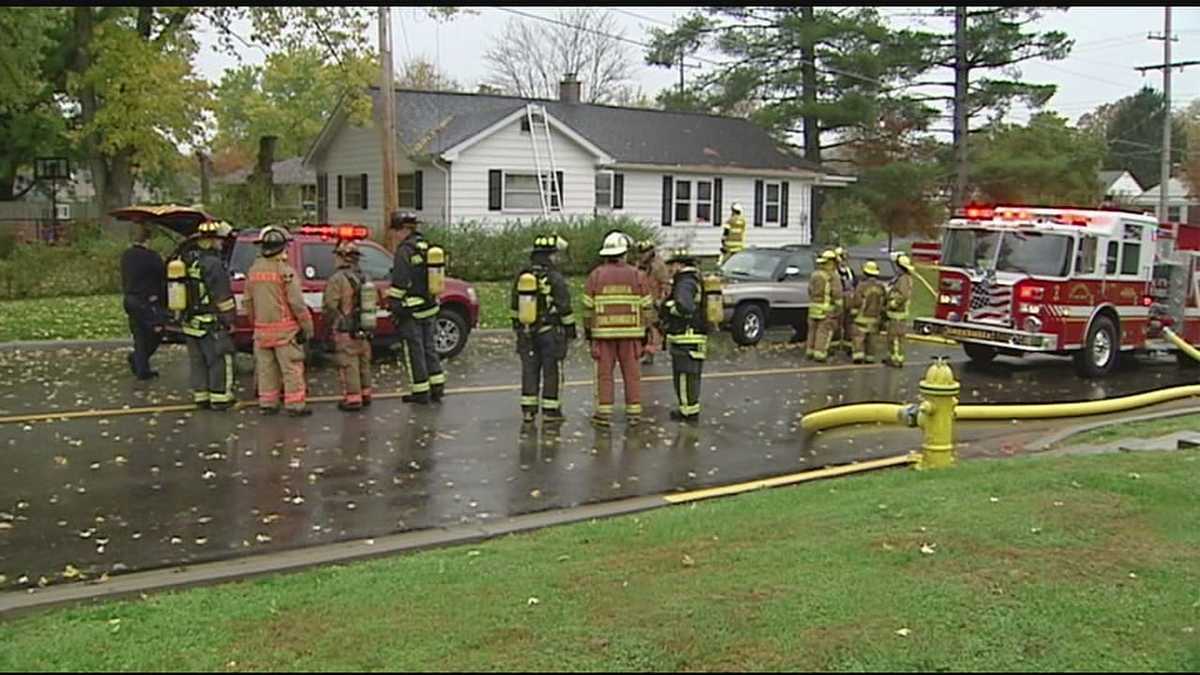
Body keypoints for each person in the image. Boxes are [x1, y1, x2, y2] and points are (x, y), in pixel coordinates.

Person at [583, 231, 652, 427]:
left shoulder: (595, 275)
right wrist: (646, 332)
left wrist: (589, 332)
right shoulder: (637, 275)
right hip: (631, 335)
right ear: (624, 253)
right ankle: (634, 414)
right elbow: (647, 307)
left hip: (603, 335)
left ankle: (603, 414)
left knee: (604, 375)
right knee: (632, 374)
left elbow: (587, 308)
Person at [244, 225, 315, 416]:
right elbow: (297, 304)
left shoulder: (253, 271)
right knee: (291, 369)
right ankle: (295, 405)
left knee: (266, 369)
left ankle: (268, 402)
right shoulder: (285, 272)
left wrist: (256, 323)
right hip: (286, 332)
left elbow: (248, 302)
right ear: (283, 247)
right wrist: (307, 327)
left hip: (262, 332)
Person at [510, 234, 576, 425]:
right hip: (550, 332)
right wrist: (570, 330)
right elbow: (564, 307)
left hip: (526, 331)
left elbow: (515, 305)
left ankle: (528, 412)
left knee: (529, 370)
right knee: (550, 371)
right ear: (551, 255)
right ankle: (550, 411)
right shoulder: (555, 277)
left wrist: (519, 328)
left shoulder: (523, 276)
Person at [386, 211, 445, 404]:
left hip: (411, 311)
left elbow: (400, 281)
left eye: (395, 231)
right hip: (429, 307)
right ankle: (437, 386)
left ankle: (420, 391)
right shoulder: (426, 247)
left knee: (415, 351)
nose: (393, 236)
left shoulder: (405, 251)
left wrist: (394, 304)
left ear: (402, 230)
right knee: (430, 348)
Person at [181, 220, 237, 409]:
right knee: (219, 360)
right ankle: (221, 399)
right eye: (219, 240)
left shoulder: (189, 260)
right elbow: (223, 297)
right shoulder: (214, 264)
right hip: (210, 323)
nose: (221, 243)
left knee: (198, 362)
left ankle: (201, 397)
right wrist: (230, 320)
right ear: (212, 241)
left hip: (190, 322)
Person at [323, 240, 376, 412]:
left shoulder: (337, 279)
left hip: (346, 329)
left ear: (342, 257)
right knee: (363, 363)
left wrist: (332, 326)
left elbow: (330, 305)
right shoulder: (365, 277)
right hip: (364, 328)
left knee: (349, 364)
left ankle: (353, 399)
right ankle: (366, 394)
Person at [661, 248, 708, 424]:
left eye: (671, 266)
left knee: (683, 376)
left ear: (679, 265)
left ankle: (686, 412)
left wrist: (667, 308)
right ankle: (690, 409)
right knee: (692, 377)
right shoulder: (694, 280)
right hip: (695, 336)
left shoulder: (685, 283)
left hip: (686, 337)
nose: (669, 270)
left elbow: (685, 308)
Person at [120, 223, 165, 380]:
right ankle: (139, 361)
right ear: (148, 240)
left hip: (130, 299)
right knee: (156, 332)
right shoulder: (151, 257)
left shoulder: (126, 255)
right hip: (147, 302)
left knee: (139, 335)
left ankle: (141, 367)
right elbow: (162, 275)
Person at [636, 239, 671, 365]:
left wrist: (660, 300)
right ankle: (641, 351)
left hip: (653, 302)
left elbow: (665, 284)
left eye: (644, 252)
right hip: (640, 301)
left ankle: (649, 353)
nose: (642, 255)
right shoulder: (640, 264)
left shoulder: (658, 265)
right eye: (640, 253)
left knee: (652, 329)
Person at [849, 261, 886, 364]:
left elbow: (857, 301)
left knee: (858, 338)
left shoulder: (862, 286)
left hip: (861, 317)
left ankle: (858, 356)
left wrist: (852, 313)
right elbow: (884, 302)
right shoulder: (881, 287)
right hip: (875, 318)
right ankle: (870, 357)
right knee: (872, 339)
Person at [805, 249, 838, 363]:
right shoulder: (832, 276)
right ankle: (820, 354)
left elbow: (809, 290)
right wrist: (839, 308)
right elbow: (837, 294)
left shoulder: (814, 274)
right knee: (823, 332)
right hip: (826, 309)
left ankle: (810, 351)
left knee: (812, 330)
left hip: (813, 308)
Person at [885, 254, 915, 368]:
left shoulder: (903, 279)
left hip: (898, 314)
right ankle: (892, 356)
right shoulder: (902, 278)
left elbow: (903, 295)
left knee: (895, 337)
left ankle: (896, 359)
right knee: (892, 337)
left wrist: (892, 303)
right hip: (896, 314)